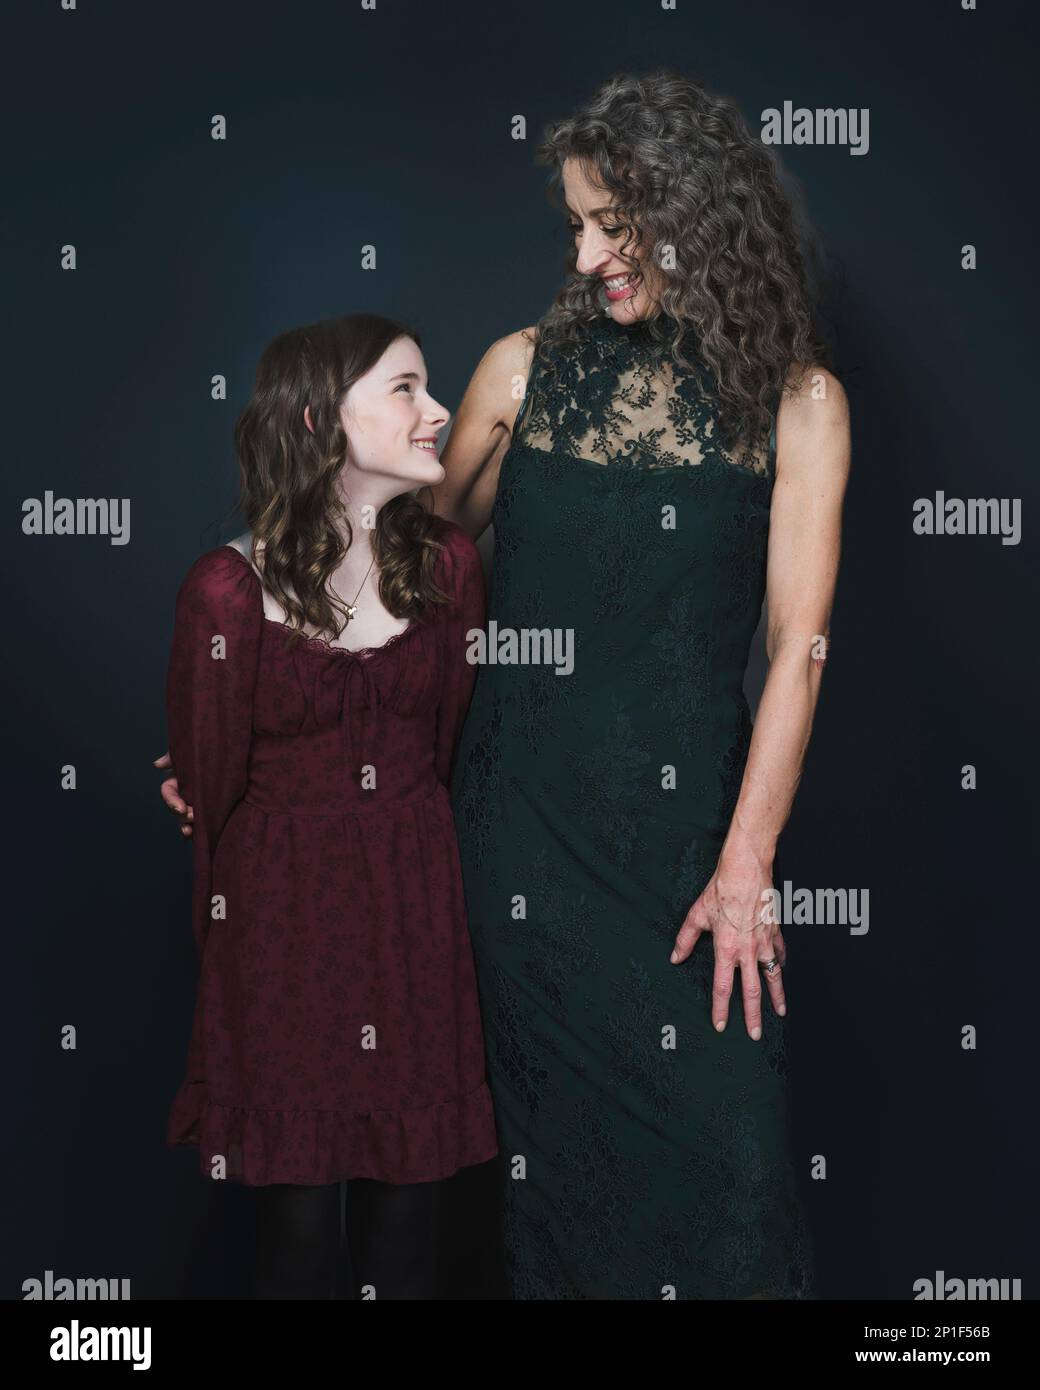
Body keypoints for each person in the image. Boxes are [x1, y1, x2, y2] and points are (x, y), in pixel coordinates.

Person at [425, 69, 851, 1298]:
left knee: (731, 1177)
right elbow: (406, 576)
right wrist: (251, 702)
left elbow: (796, 646)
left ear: (697, 210)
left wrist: (746, 866)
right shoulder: (517, 372)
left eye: (614, 221)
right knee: (544, 1190)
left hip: (687, 852)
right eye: (574, 226)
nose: (590, 252)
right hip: (520, 841)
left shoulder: (800, 402)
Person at [159, 312, 497, 1299]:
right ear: (318, 421)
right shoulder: (224, 593)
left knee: (409, 1236)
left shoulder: (448, 570)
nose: (438, 411)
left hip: (412, 924)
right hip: (283, 934)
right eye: (406, 388)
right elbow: (211, 799)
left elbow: (446, 746)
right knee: (298, 1239)